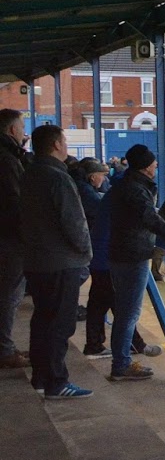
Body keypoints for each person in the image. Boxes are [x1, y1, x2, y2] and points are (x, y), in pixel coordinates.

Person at [105, 143, 165, 382]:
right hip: (133, 254)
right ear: (145, 167)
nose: (156, 168)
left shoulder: (126, 185)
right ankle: (121, 364)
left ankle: (122, 360)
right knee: (128, 313)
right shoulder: (135, 189)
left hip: (123, 252)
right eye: (154, 164)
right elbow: (150, 218)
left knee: (125, 311)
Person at [19, 125, 93, 400]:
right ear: (56, 145)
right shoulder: (58, 178)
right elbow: (74, 222)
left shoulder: (29, 173)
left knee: (42, 319)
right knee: (60, 324)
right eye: (64, 141)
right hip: (61, 262)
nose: (66, 145)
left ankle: (41, 377)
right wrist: (86, 253)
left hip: (36, 259)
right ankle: (56, 382)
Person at [76, 159, 158, 362]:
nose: (104, 179)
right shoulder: (122, 195)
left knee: (101, 301)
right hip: (108, 256)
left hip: (100, 254)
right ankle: (128, 349)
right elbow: (148, 220)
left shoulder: (111, 193)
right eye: (101, 175)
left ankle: (101, 345)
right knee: (121, 304)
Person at [0, 109, 31, 372]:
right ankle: (4, 350)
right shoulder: (7, 160)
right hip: (10, 239)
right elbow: (15, 203)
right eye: (21, 127)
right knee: (9, 294)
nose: (24, 132)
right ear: (12, 130)